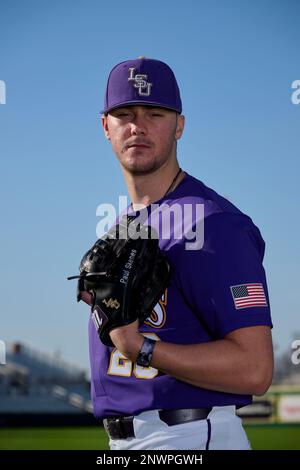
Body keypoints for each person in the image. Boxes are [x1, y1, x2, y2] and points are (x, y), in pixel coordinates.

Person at [83, 57, 274, 450]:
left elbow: (255, 369)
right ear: (106, 127)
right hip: (128, 442)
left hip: (188, 436)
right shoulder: (121, 230)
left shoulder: (214, 224)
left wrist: (141, 348)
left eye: (155, 113)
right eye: (125, 114)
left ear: (179, 126)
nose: (138, 126)